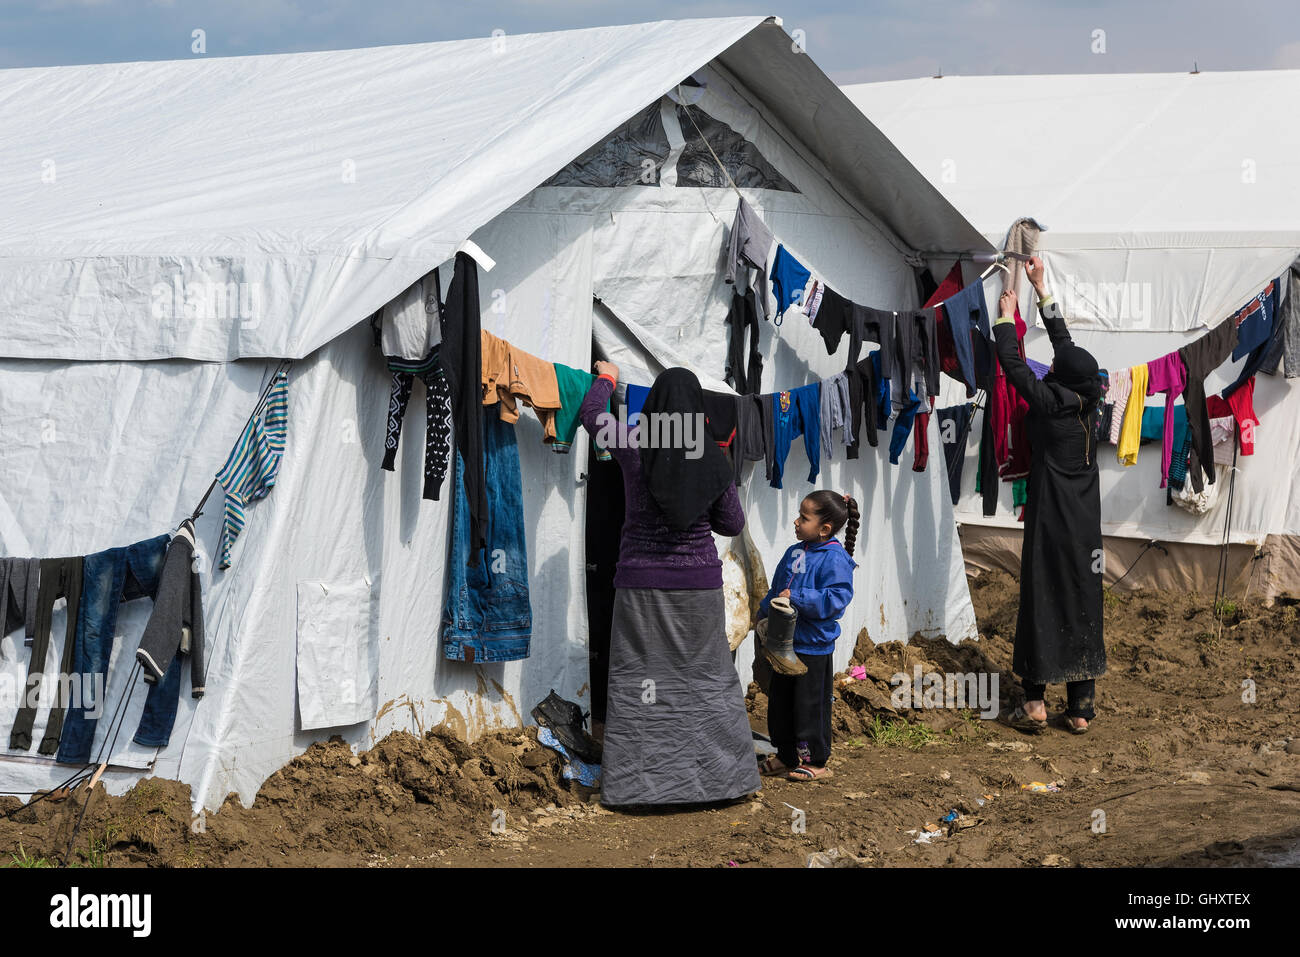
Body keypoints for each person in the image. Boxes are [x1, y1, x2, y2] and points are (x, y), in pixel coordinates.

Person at [579, 362, 761, 805]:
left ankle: (639, 790)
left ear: (655, 404)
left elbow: (590, 416)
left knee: (641, 683)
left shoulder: (632, 443)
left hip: (640, 585)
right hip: (698, 588)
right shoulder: (711, 457)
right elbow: (731, 521)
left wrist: (606, 376)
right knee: (706, 680)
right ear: (697, 408)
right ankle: (718, 784)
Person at [994, 256, 1107, 734]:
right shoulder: (1091, 397)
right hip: (1085, 528)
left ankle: (1036, 704)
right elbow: (1067, 349)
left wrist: (1004, 316)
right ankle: (1080, 709)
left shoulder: (1047, 400)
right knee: (1082, 598)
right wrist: (1042, 291)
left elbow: (1013, 364)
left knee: (1041, 599)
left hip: (1048, 520)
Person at [755, 491, 858, 780]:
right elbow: (776, 590)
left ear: (825, 529)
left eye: (804, 517)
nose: (796, 521)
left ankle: (816, 761)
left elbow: (837, 599)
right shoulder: (793, 552)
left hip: (812, 647)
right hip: (782, 645)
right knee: (780, 704)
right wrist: (762, 614)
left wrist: (798, 597)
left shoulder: (836, 558)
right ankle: (786, 755)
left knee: (809, 706)